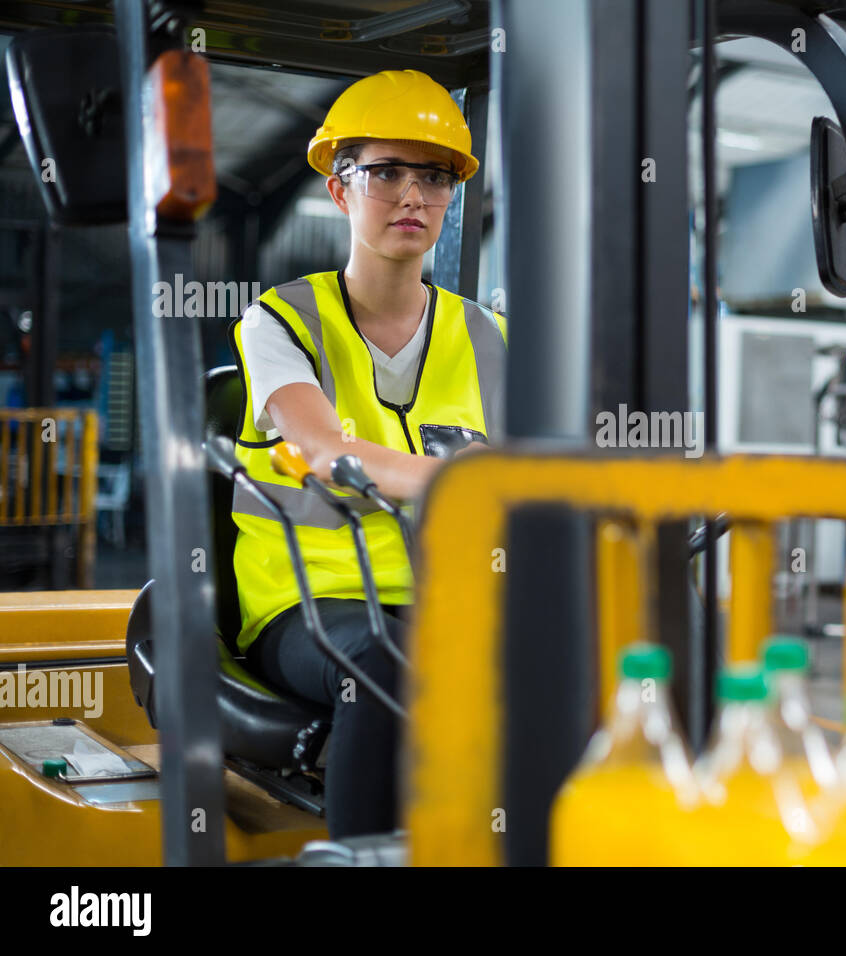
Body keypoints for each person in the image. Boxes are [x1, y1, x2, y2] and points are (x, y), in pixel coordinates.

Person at [226, 69, 505, 839]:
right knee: (389, 665)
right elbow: (320, 449)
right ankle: (361, 859)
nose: (412, 196)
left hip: (450, 601)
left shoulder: (492, 339)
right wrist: (483, 480)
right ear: (340, 190)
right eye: (385, 173)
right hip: (312, 607)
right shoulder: (280, 320)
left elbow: (549, 465)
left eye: (434, 177)